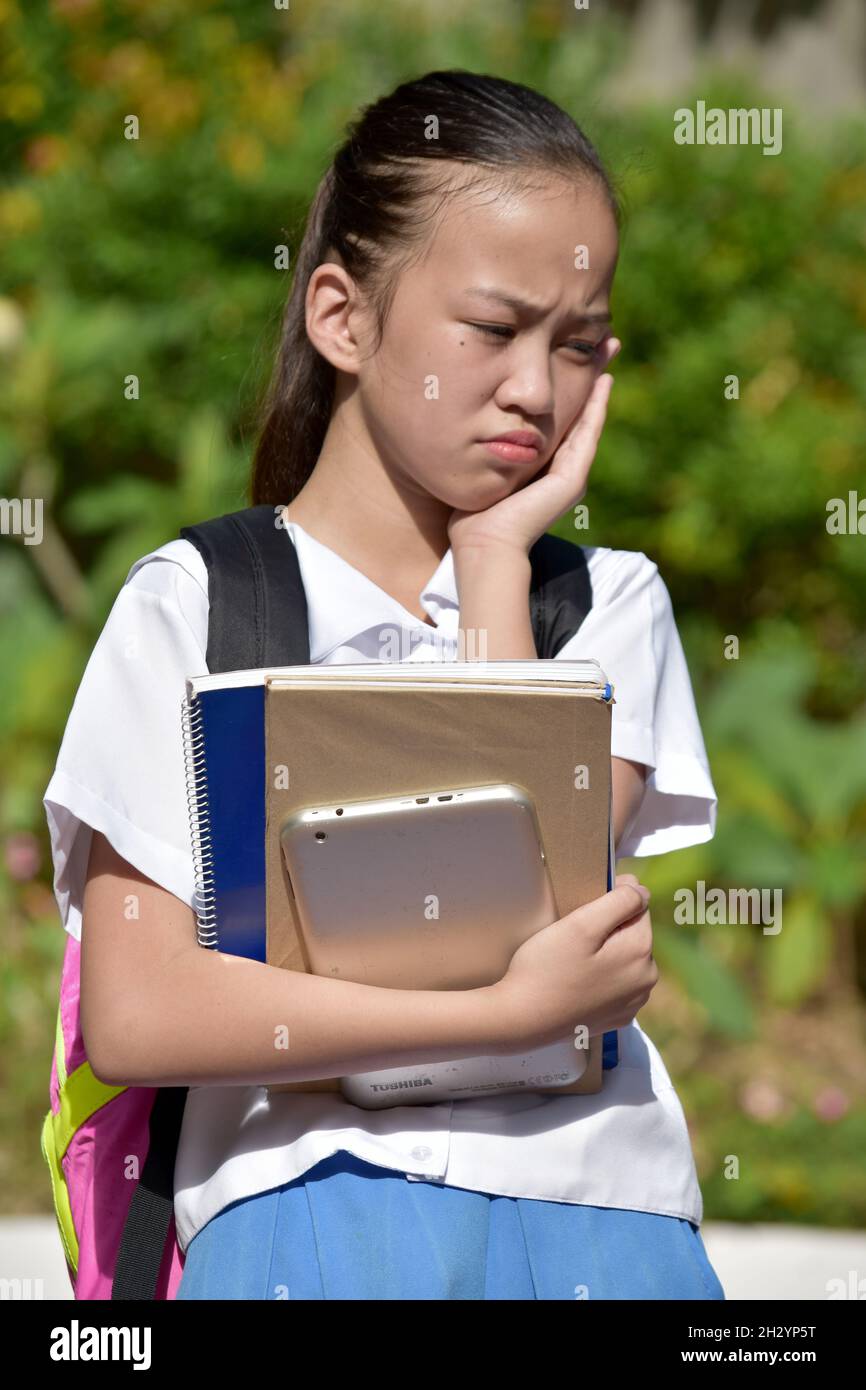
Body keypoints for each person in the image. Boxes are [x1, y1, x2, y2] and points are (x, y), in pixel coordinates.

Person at [43, 69, 725, 1300]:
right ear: (342, 318)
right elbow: (138, 1018)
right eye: (492, 327)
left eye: (576, 342)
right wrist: (497, 1017)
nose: (536, 388)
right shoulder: (196, 606)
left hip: (607, 1223)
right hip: (311, 1223)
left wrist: (492, 566)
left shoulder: (604, 604)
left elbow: (518, 916)